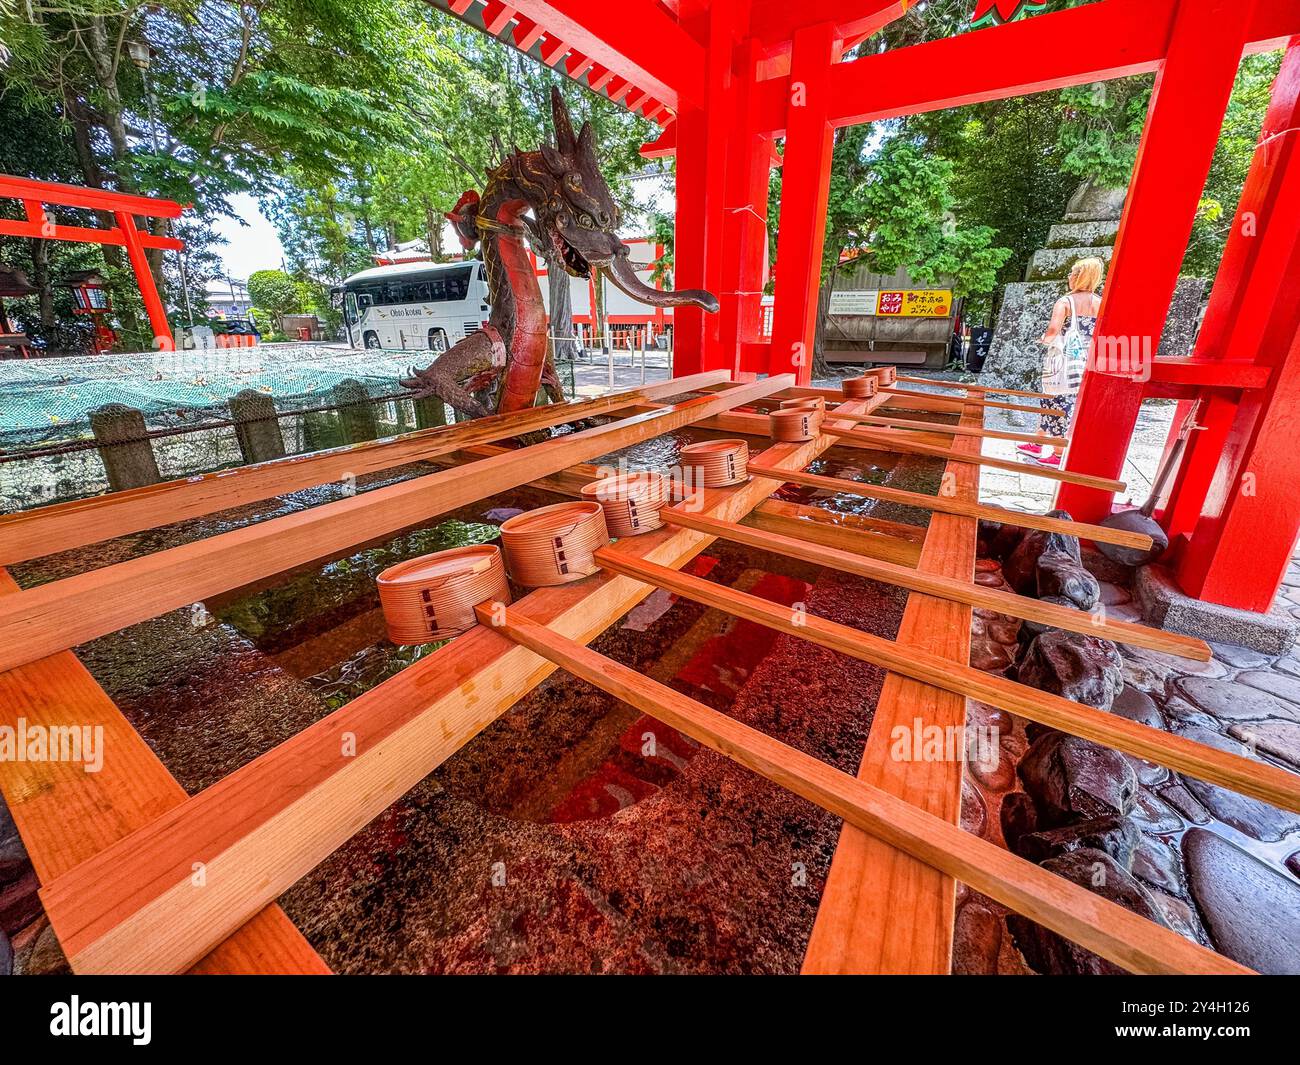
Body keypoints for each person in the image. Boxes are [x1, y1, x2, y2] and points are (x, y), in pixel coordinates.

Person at [1018, 257, 1103, 468]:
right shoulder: (1101, 302)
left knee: (1056, 401)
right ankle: (1037, 442)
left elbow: (1054, 330)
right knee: (1058, 400)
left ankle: (1057, 453)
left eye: (1071, 273)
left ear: (1078, 276)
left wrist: (1044, 341)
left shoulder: (1066, 302)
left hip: (1063, 361)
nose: (1068, 277)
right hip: (1084, 358)